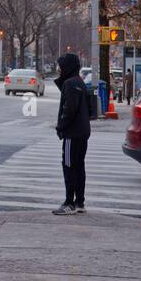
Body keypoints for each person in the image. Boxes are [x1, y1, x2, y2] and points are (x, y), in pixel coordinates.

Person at [52, 52, 91, 215]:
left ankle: (69, 202)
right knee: (79, 167)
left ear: (67, 67)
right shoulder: (79, 82)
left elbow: (69, 110)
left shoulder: (70, 83)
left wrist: (60, 127)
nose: (59, 69)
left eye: (61, 66)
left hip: (72, 134)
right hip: (82, 132)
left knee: (68, 167)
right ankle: (79, 202)